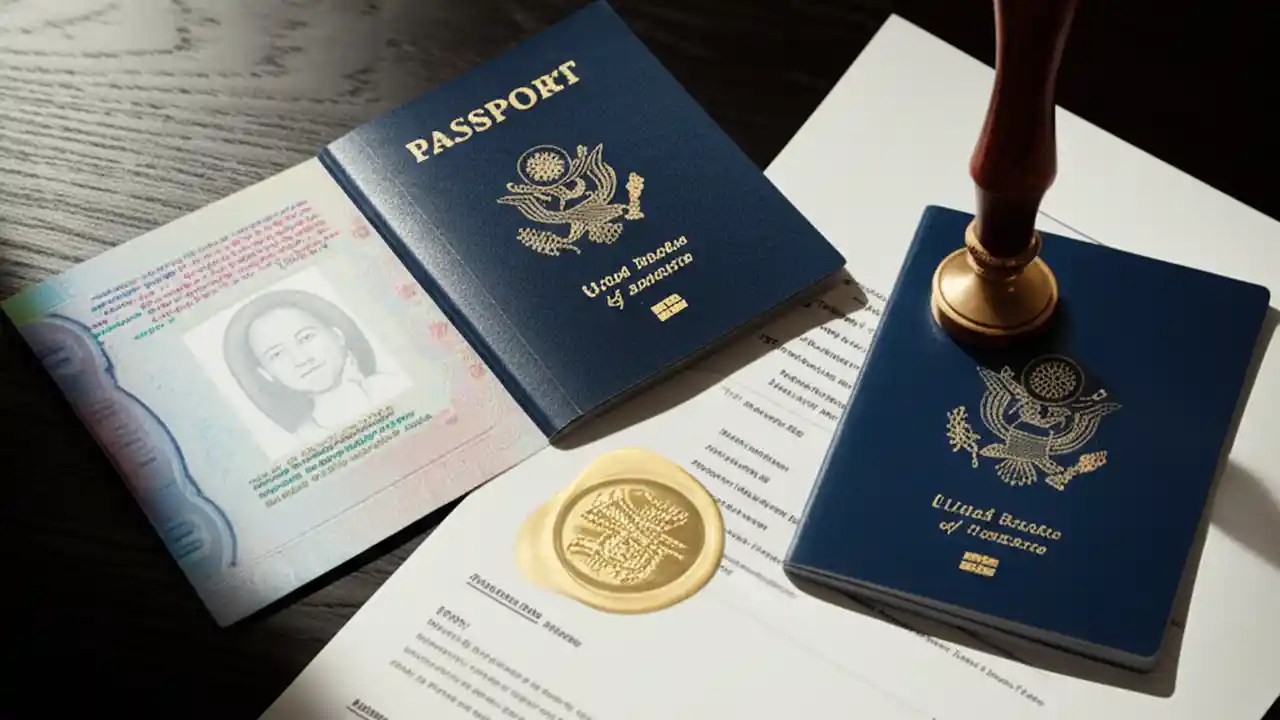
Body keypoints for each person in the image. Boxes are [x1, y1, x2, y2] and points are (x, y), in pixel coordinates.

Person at [223, 288, 408, 443]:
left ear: (337, 336)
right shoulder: (299, 440)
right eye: (277, 354)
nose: (301, 359)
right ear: (266, 373)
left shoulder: (397, 385)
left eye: (306, 338)